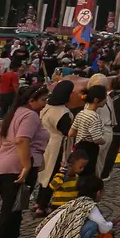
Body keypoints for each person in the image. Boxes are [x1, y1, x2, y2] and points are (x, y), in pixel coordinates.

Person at [0, 84, 49, 238]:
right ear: (31, 100)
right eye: (43, 99)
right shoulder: (30, 115)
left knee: (16, 206)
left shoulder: (13, 113)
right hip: (16, 168)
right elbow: (22, 140)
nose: (45, 103)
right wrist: (27, 166)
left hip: (0, 166)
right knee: (10, 208)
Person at [31, 174, 113, 238]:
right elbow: (104, 228)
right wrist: (111, 223)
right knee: (92, 225)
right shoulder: (89, 205)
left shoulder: (73, 202)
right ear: (99, 192)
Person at [35, 80, 76, 215]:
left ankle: (39, 202)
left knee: (44, 174)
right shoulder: (62, 113)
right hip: (57, 146)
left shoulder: (46, 107)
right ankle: (43, 205)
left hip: (45, 143)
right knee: (52, 176)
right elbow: (67, 132)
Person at [72, 85, 110, 177]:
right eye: (105, 98)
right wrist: (104, 140)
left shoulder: (81, 113)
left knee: (80, 173)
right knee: (88, 173)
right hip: (90, 149)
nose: (106, 101)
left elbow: (71, 132)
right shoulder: (94, 117)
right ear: (96, 100)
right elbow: (97, 139)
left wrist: (82, 133)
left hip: (79, 146)